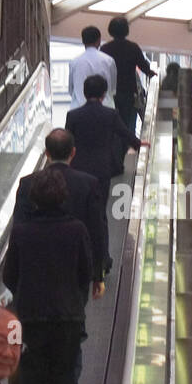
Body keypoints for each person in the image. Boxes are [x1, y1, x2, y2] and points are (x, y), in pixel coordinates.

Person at [1, 166, 92, 384]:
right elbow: (85, 273)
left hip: (28, 320)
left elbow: (9, 275)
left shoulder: (22, 232)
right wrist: (75, 303)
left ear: (34, 199)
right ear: (63, 198)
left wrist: (26, 295)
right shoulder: (77, 229)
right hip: (67, 318)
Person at [15, 128, 106, 384]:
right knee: (72, 329)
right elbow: (98, 229)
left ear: (46, 152)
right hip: (73, 275)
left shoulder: (27, 183)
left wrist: (18, 279)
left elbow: (16, 230)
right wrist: (97, 274)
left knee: (35, 342)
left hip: (33, 280)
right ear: (73, 153)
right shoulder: (88, 184)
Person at [65, 74, 142, 269]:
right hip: (101, 172)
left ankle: (79, 259)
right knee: (99, 215)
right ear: (104, 93)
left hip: (78, 170)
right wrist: (139, 144)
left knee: (79, 213)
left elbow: (67, 142)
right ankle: (102, 260)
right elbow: (125, 133)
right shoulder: (111, 115)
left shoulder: (73, 116)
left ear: (84, 92)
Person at [101, 16, 155, 137]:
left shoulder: (105, 49)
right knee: (129, 123)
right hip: (129, 92)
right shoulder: (133, 47)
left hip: (110, 93)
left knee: (113, 123)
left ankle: (116, 148)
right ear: (126, 30)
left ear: (111, 30)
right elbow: (144, 66)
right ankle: (127, 147)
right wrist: (153, 75)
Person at [67, 26, 116, 109]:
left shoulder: (74, 62)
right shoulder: (109, 60)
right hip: (105, 108)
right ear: (99, 40)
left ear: (83, 41)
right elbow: (112, 89)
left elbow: (71, 90)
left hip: (79, 109)